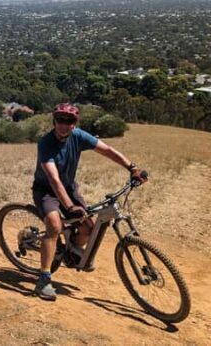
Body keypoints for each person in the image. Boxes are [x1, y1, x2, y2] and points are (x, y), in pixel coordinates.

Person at [32, 103, 146, 301]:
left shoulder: (78, 136)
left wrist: (132, 168)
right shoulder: (46, 143)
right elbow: (54, 179)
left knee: (88, 228)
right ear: (54, 121)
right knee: (54, 227)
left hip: (69, 187)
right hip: (46, 191)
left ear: (75, 123)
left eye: (69, 121)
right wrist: (70, 207)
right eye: (60, 120)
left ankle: (70, 252)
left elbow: (107, 150)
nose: (64, 124)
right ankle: (44, 279)